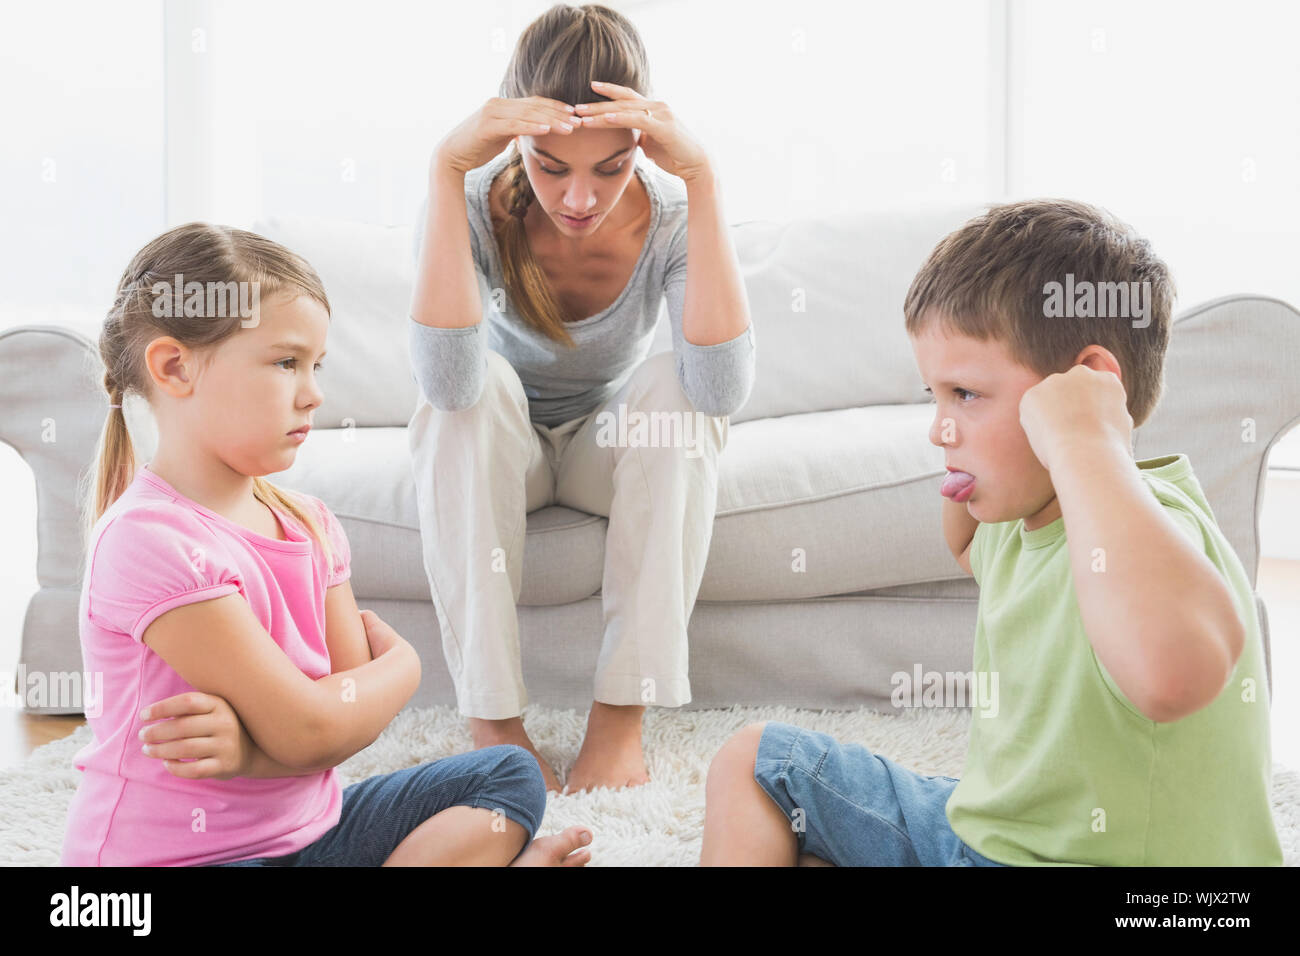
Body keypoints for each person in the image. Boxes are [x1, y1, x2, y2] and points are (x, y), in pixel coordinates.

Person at [700, 199, 1284, 866]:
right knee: (755, 762)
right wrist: (972, 459)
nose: (938, 428)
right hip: (994, 837)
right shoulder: (1019, 518)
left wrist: (1087, 443)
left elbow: (1172, 677)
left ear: (1087, 388)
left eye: (967, 395)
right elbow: (971, 549)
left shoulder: (1155, 534)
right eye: (934, 396)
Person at [61, 222, 592, 866]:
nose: (314, 394)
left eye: (317, 365)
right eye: (286, 362)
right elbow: (314, 726)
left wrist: (256, 751)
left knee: (507, 775)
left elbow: (341, 730)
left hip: (310, 837)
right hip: (175, 864)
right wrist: (405, 668)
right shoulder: (150, 539)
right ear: (175, 367)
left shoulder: (308, 523)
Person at [407, 3, 755, 793]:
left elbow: (719, 390)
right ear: (514, 142)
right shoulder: (468, 205)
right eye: (551, 167)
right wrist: (443, 169)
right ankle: (493, 727)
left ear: (643, 146)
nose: (578, 200)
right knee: (471, 392)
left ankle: (619, 721)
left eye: (611, 168)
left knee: (674, 383)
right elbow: (452, 385)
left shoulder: (667, 219)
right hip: (506, 443)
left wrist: (703, 181)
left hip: (603, 445)